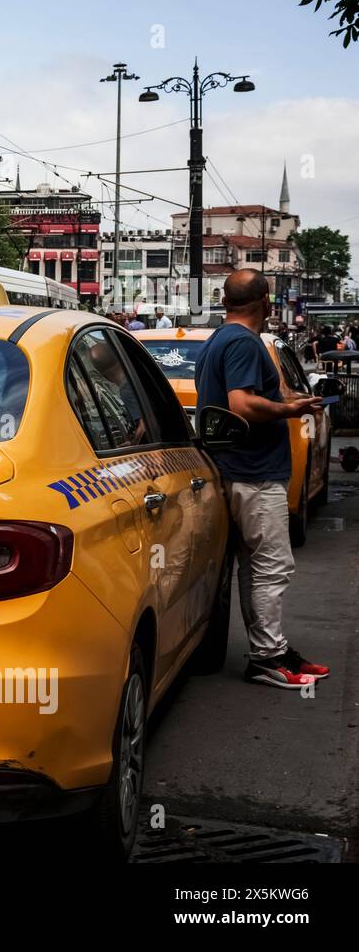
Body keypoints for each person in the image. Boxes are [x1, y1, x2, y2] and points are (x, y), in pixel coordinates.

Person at [194, 269, 329, 689]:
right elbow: (242, 404)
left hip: (239, 468)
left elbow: (249, 396)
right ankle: (268, 656)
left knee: (255, 566)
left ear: (224, 301)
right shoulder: (242, 342)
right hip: (254, 473)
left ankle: (270, 650)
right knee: (273, 566)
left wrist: (288, 399)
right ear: (265, 302)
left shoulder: (218, 339)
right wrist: (292, 410)